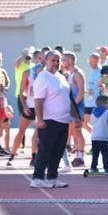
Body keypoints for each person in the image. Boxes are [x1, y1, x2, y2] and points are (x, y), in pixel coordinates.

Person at [31, 51, 72, 189]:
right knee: (45, 151)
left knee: (58, 151)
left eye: (58, 60)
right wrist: (40, 120)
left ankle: (52, 178)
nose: (56, 63)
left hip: (63, 120)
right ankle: (37, 178)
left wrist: (76, 118)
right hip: (49, 120)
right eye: (53, 60)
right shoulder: (43, 77)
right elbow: (38, 101)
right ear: (46, 61)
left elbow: (67, 98)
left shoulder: (61, 77)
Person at [62, 52, 86, 167]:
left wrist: (74, 106)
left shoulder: (77, 74)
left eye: (64, 60)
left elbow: (82, 91)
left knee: (78, 132)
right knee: (73, 133)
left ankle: (81, 158)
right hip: (71, 108)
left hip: (77, 108)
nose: (62, 62)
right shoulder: (69, 74)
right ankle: (77, 155)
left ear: (70, 61)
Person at [87, 96, 108, 176]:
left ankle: (93, 167)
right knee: (105, 154)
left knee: (95, 154)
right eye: (107, 103)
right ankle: (106, 168)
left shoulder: (93, 112)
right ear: (105, 104)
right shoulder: (107, 112)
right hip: (104, 137)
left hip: (94, 137)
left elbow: (91, 122)